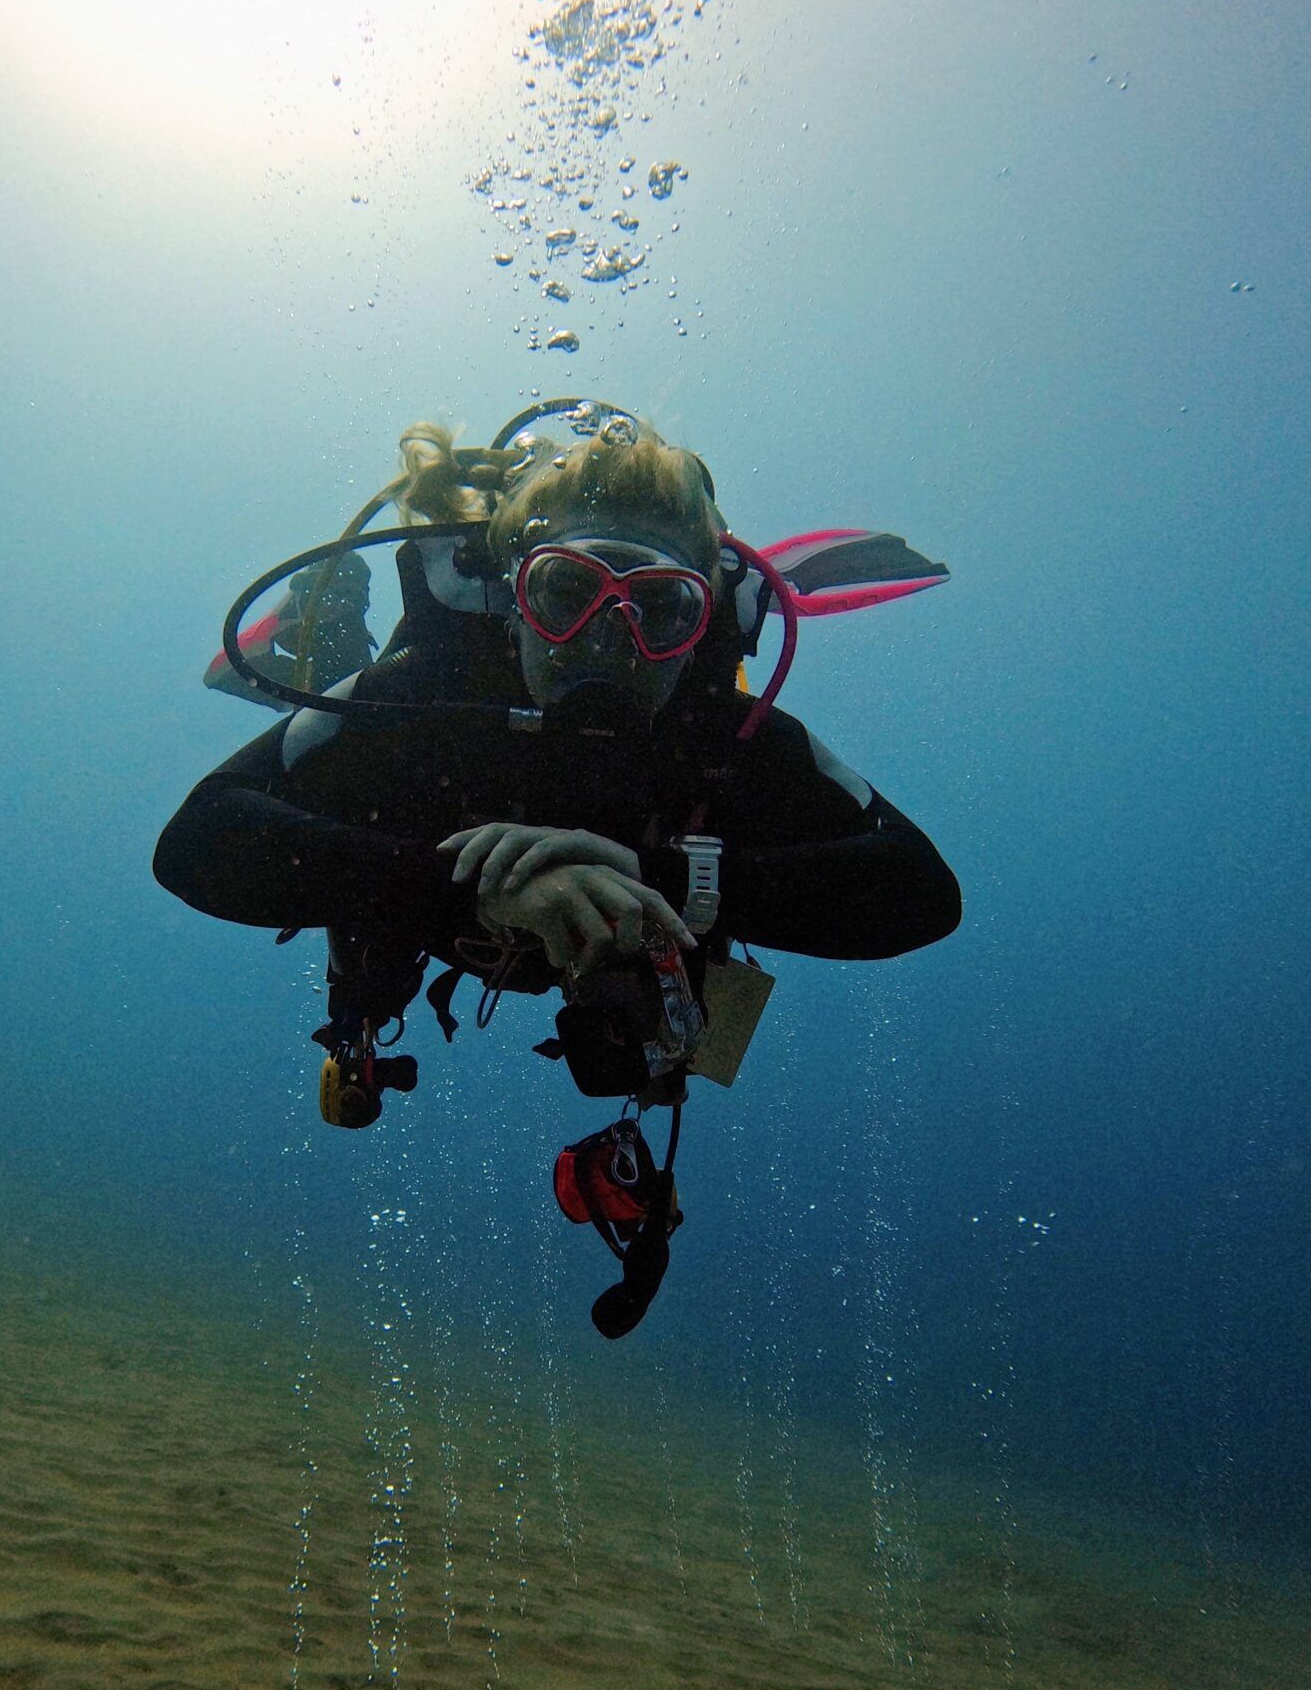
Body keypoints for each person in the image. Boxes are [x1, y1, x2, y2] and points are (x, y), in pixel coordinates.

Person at [155, 403, 960, 1334]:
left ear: (703, 622)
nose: (609, 638)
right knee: (364, 914)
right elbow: (199, 841)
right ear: (509, 593)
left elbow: (917, 890)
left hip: (607, 908)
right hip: (424, 889)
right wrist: (461, 880)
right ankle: (325, 627)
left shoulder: (721, 736)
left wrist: (666, 875)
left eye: (659, 607)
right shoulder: (426, 691)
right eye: (568, 591)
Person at [202, 550, 375, 708]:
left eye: (353, 599)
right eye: (331, 595)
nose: (339, 606)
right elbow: (217, 673)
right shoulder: (283, 618)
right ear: (308, 589)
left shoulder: (349, 631)